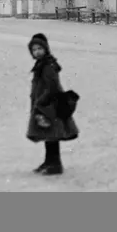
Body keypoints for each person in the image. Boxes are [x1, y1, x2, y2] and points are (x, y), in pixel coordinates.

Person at [25, 33, 78, 176]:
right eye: (34, 50)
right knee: (48, 135)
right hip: (46, 104)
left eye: (39, 49)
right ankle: (49, 161)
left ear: (46, 49)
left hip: (49, 105)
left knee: (51, 135)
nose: (37, 52)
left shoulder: (47, 65)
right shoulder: (42, 64)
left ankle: (55, 164)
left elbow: (52, 86)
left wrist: (40, 101)